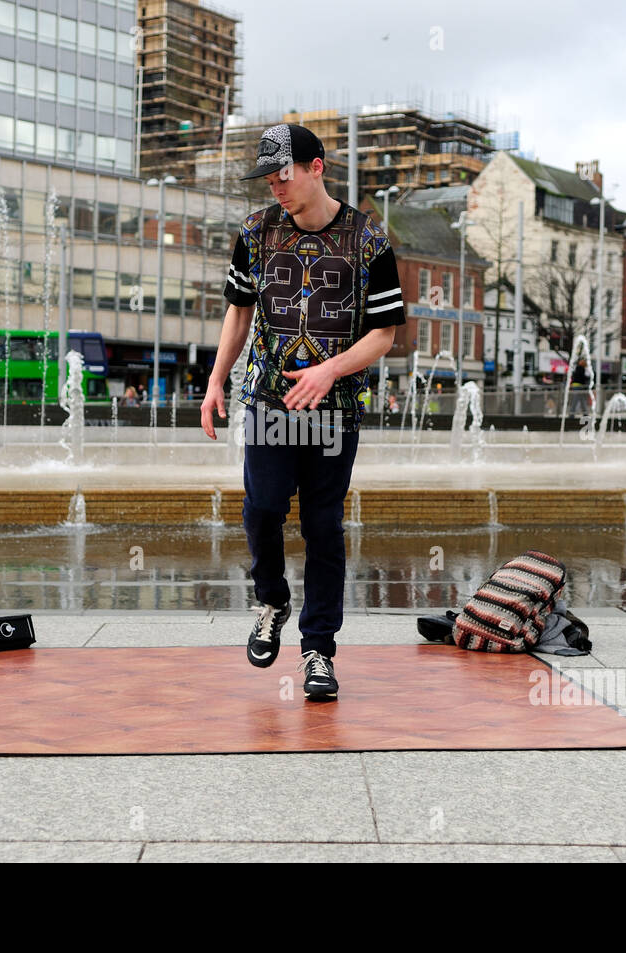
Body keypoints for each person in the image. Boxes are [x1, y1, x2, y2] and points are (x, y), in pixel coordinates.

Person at [200, 122, 405, 701]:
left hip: (335, 410)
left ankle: (318, 650)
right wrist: (217, 381)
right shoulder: (257, 231)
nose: (275, 186)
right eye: (268, 176)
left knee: (322, 528)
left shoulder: (369, 239)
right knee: (263, 508)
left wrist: (331, 369)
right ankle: (271, 599)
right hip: (267, 399)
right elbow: (239, 312)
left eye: (283, 173)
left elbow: (385, 334)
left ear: (317, 167)